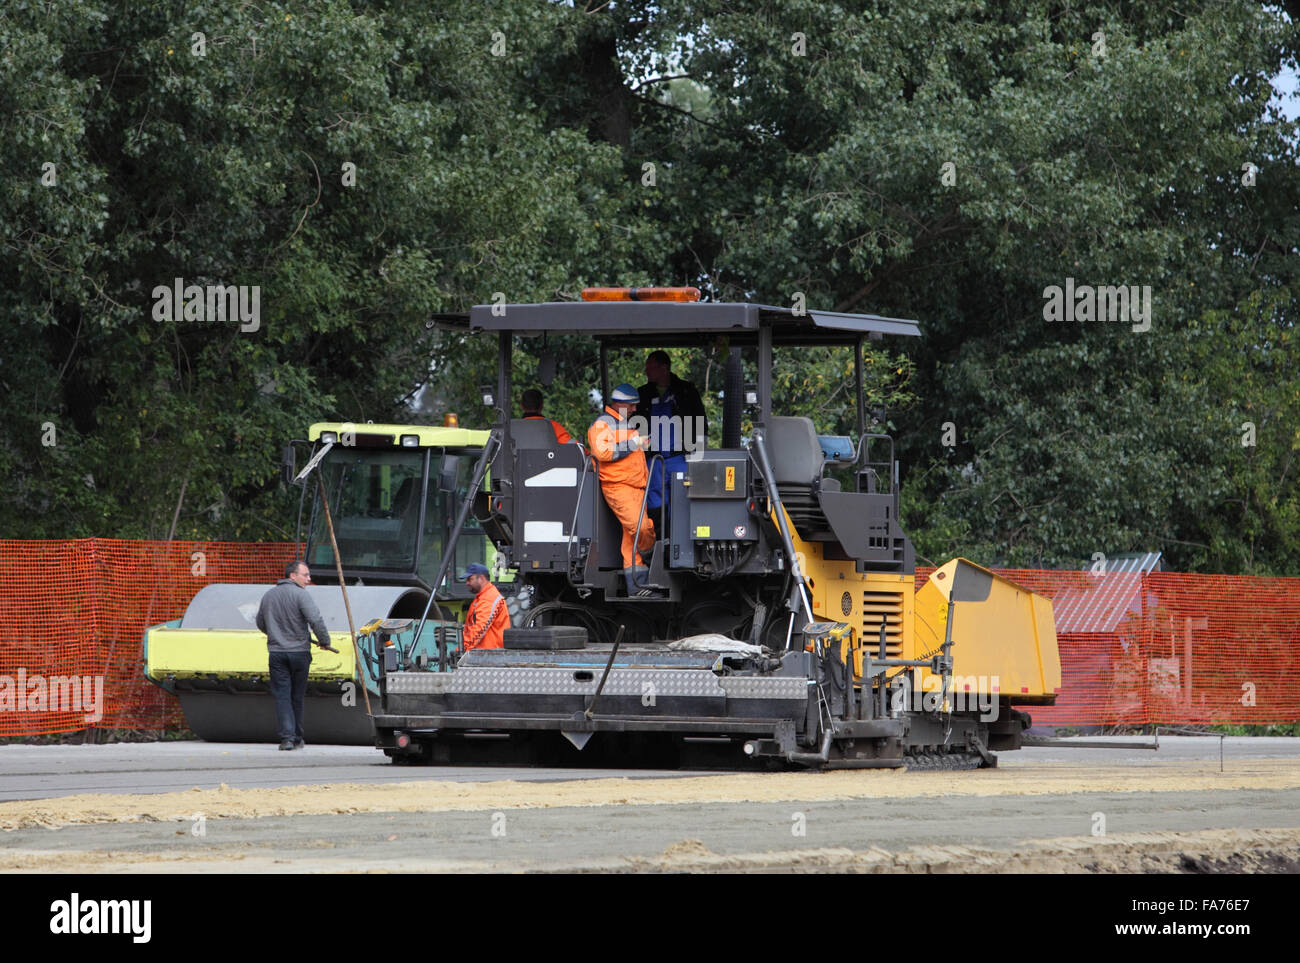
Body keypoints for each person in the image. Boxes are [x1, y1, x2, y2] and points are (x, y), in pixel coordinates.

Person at [588, 383, 660, 597]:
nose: (635, 410)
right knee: (642, 530)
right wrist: (634, 442)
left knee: (631, 542)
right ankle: (652, 557)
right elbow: (604, 453)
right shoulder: (603, 423)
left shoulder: (623, 423)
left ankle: (637, 588)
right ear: (620, 405)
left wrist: (640, 443)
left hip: (635, 487)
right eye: (632, 406)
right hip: (619, 487)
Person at [255, 560, 333, 751]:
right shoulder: (301, 595)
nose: (309, 579)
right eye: (305, 575)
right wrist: (325, 641)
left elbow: (260, 622)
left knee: (282, 696)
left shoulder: (269, 596)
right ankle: (297, 737)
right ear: (292, 575)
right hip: (299, 652)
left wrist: (275, 635)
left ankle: (287, 739)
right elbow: (315, 619)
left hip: (276, 654)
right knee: (297, 696)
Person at [636, 350, 707, 524]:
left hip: (679, 459)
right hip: (652, 460)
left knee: (681, 502)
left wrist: (698, 457)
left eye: (650, 367)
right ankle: (658, 545)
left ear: (664, 368)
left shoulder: (686, 391)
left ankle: (678, 547)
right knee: (654, 504)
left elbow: (700, 422)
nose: (646, 372)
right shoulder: (642, 393)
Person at [462, 562, 510, 650]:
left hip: (488, 656)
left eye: (469, 579)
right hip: (484, 655)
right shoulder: (482, 597)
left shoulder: (489, 598)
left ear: (481, 578)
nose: (467, 583)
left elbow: (479, 630)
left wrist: (461, 649)